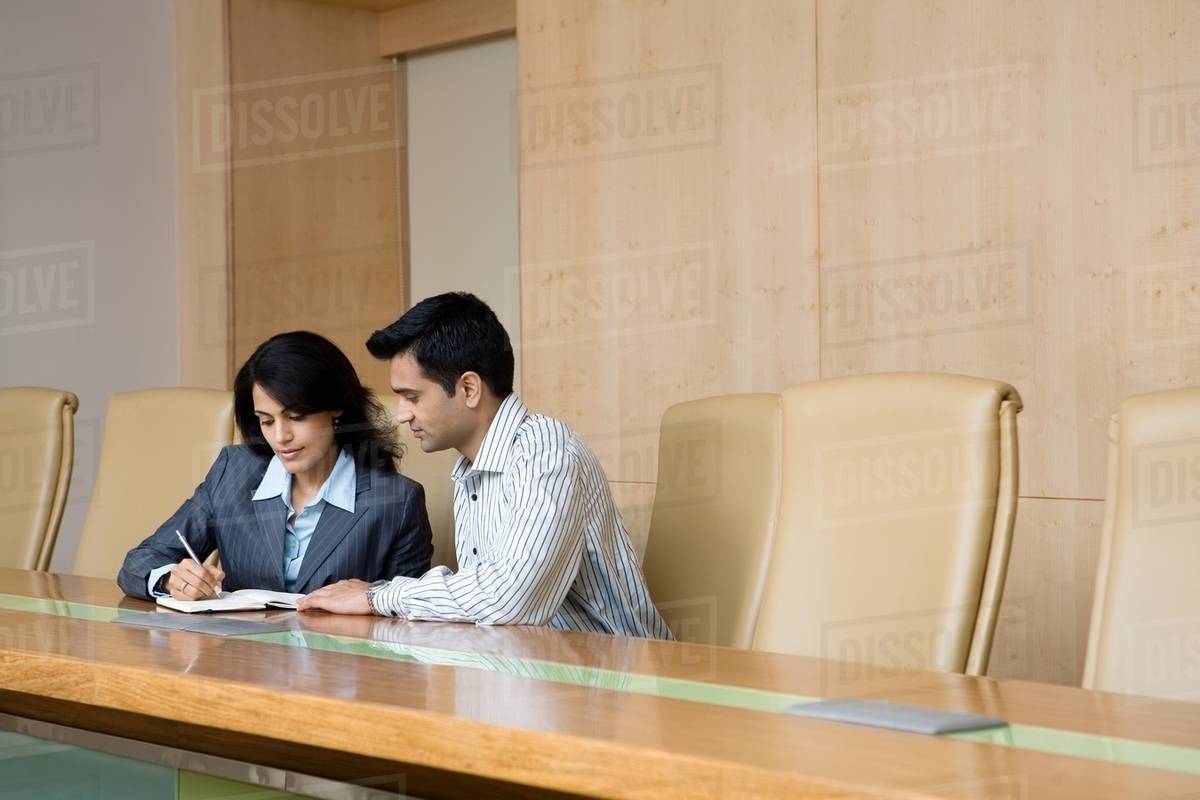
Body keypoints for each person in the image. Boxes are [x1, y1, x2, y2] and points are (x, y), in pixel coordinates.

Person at [299, 293, 672, 640]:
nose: (402, 415)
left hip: (613, 676)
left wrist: (376, 596)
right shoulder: (471, 467)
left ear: (469, 389)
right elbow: (485, 609)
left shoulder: (546, 450)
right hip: (532, 668)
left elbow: (508, 598)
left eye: (412, 397)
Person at [118, 331, 433, 601]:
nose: (280, 437)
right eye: (266, 421)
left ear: (336, 408)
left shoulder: (398, 501)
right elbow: (139, 563)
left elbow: (411, 611)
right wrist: (171, 580)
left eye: (296, 417)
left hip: (336, 654)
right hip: (239, 652)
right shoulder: (233, 472)